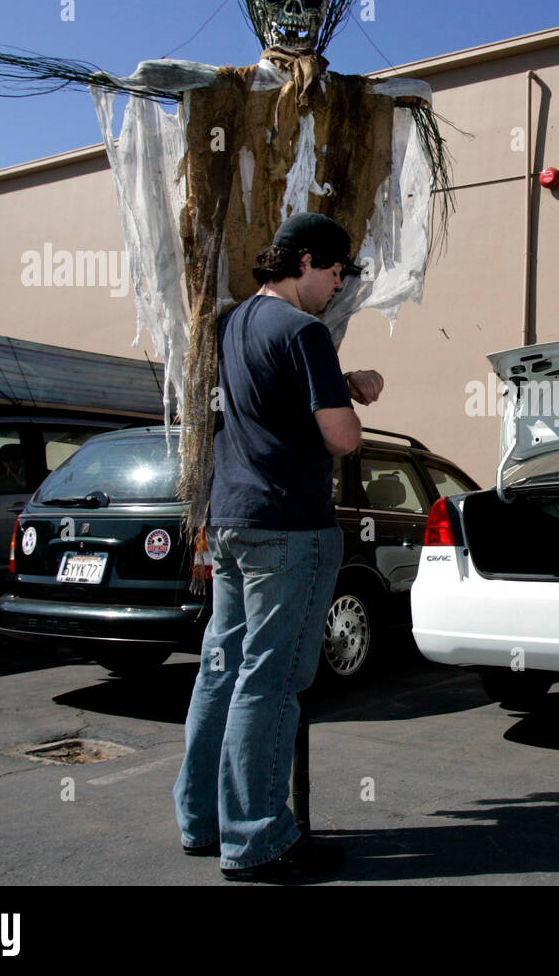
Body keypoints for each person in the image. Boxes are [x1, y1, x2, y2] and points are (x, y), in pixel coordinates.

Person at [173, 212, 384, 882]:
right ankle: (259, 838)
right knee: (269, 680)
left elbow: (272, 404)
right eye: (335, 271)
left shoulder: (235, 321)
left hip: (232, 517)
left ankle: (203, 820)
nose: (337, 284)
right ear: (305, 262)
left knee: (221, 670)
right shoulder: (304, 330)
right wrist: (357, 399)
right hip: (288, 525)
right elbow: (343, 439)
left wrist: (336, 386)